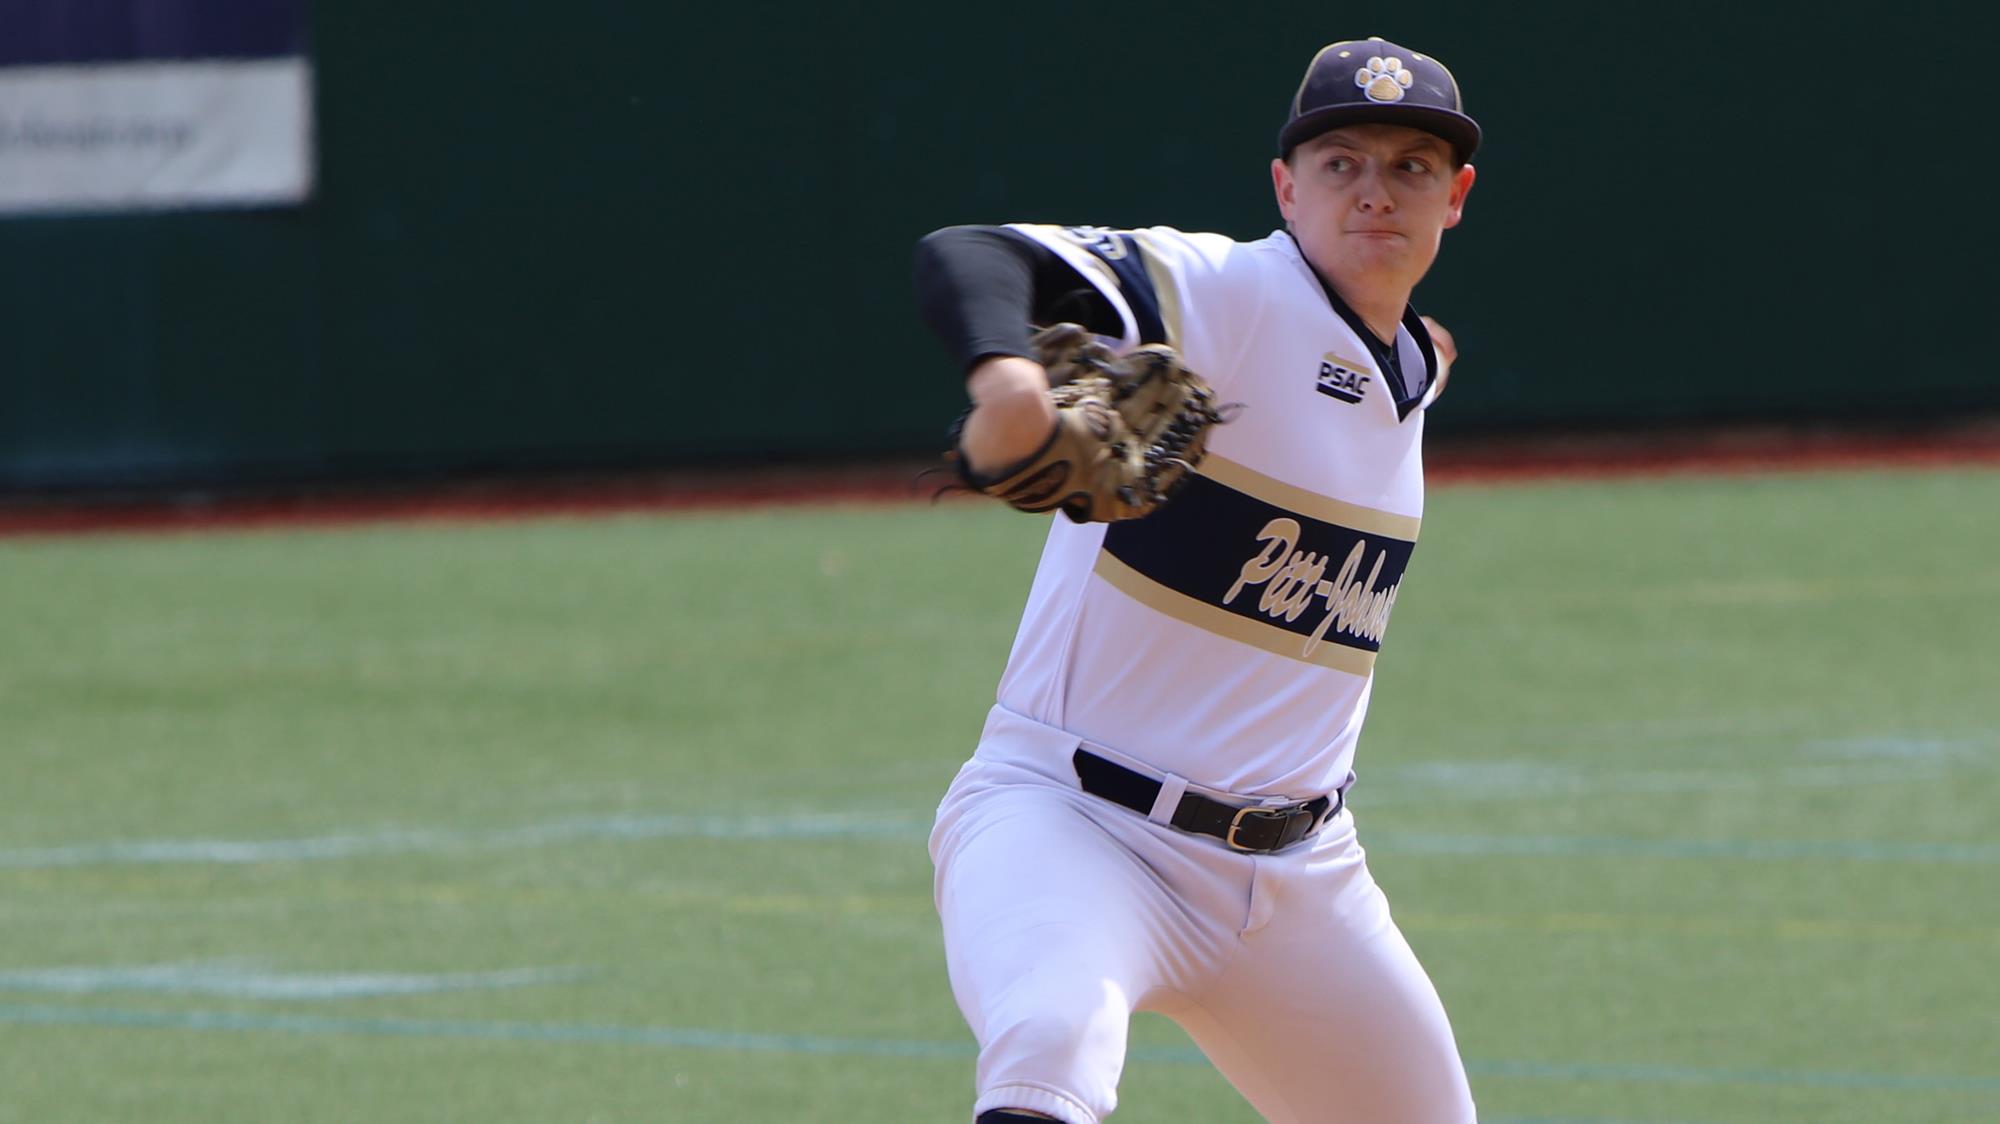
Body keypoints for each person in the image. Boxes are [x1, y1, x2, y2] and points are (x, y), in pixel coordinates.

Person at [912, 37, 1481, 1124]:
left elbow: (1405, 359)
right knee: (1048, 1040)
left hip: (1303, 881)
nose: (1373, 192)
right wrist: (1010, 387)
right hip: (1077, 826)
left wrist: (1431, 352)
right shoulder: (1236, 293)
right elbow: (971, 251)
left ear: (1453, 197)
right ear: (1284, 185)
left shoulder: (1404, 360)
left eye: (1409, 167)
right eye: (1339, 163)